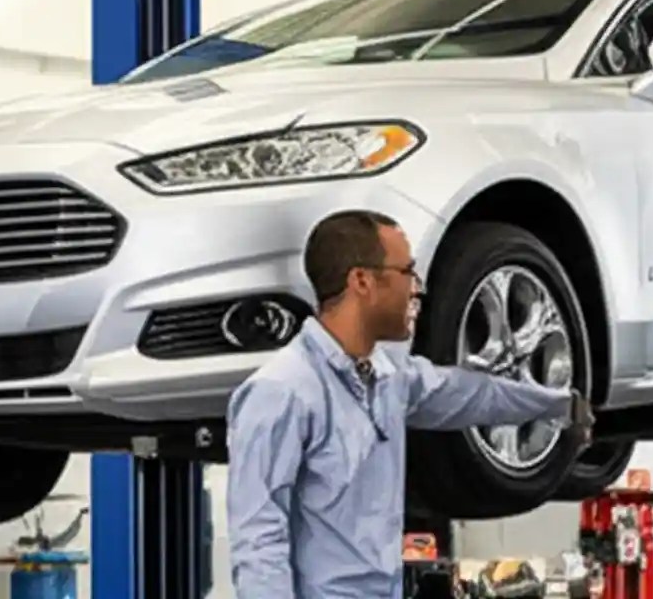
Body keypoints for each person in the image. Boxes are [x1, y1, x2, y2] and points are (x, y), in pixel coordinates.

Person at [226, 209, 594, 599]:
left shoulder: (389, 378)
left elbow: (472, 395)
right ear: (362, 281)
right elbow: (258, 541)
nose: (417, 289)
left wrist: (558, 404)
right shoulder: (281, 392)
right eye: (407, 272)